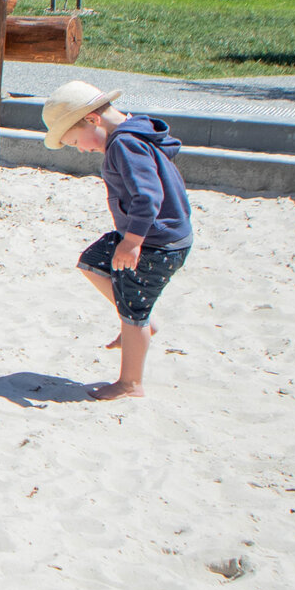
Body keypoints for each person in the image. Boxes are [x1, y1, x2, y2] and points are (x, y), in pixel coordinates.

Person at [44, 80, 193, 401]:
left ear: (92, 120)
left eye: (74, 141)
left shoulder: (125, 145)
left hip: (156, 243)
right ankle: (139, 324)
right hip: (152, 235)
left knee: (133, 313)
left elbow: (147, 197)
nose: (81, 149)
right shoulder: (136, 131)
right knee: (93, 261)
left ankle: (130, 383)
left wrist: (133, 242)